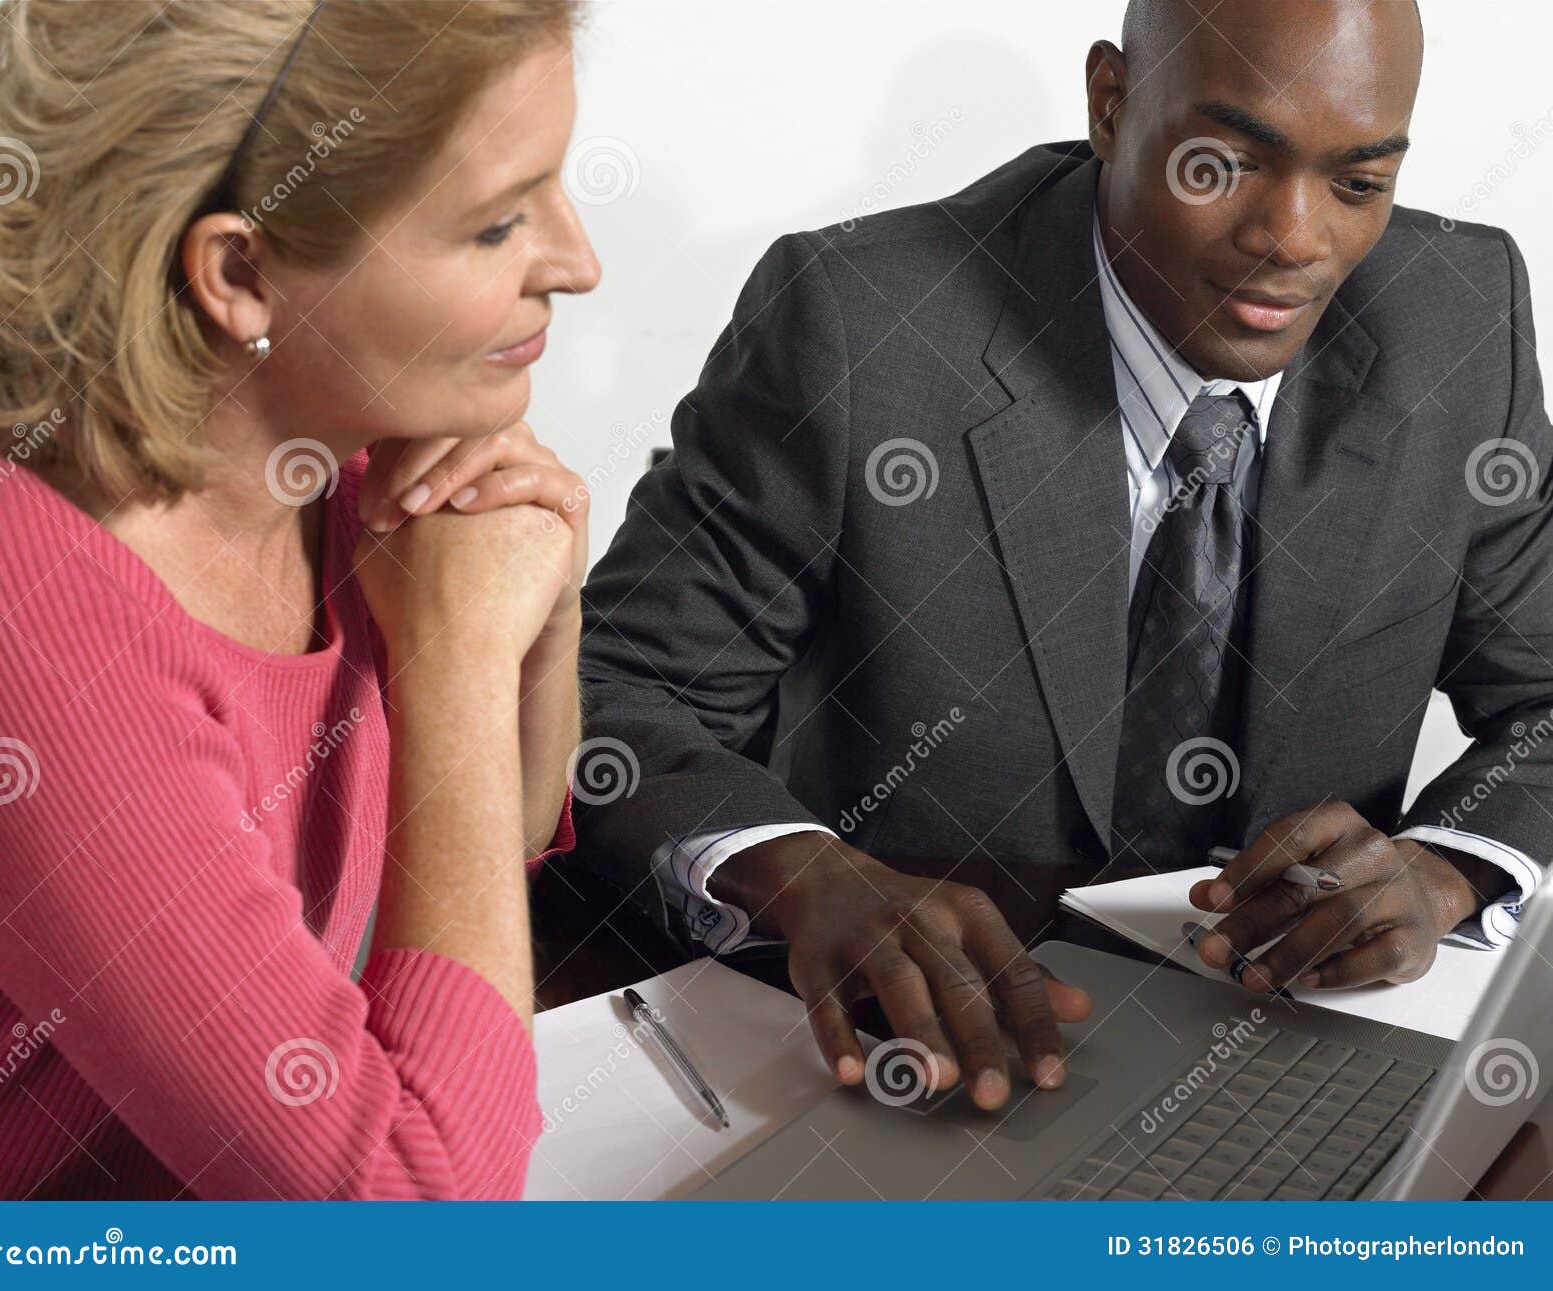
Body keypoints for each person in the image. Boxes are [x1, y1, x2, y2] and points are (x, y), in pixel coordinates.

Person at [573, 0, 1551, 1112]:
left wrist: (1443, 871)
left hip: (1283, 1060)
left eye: (1359, 185)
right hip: (918, 1053)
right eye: (1222, 164)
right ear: (1110, 102)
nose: (1293, 235)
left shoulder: (1455, 319)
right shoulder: (862, 326)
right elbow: (619, 691)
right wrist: (801, 874)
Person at [0, 0, 600, 1199]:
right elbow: (412, 1219)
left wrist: (539, 620)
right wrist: (457, 653)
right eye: (500, 222)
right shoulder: (2, 596)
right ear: (240, 273)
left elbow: (480, 860)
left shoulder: (353, 469)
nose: (577, 262)